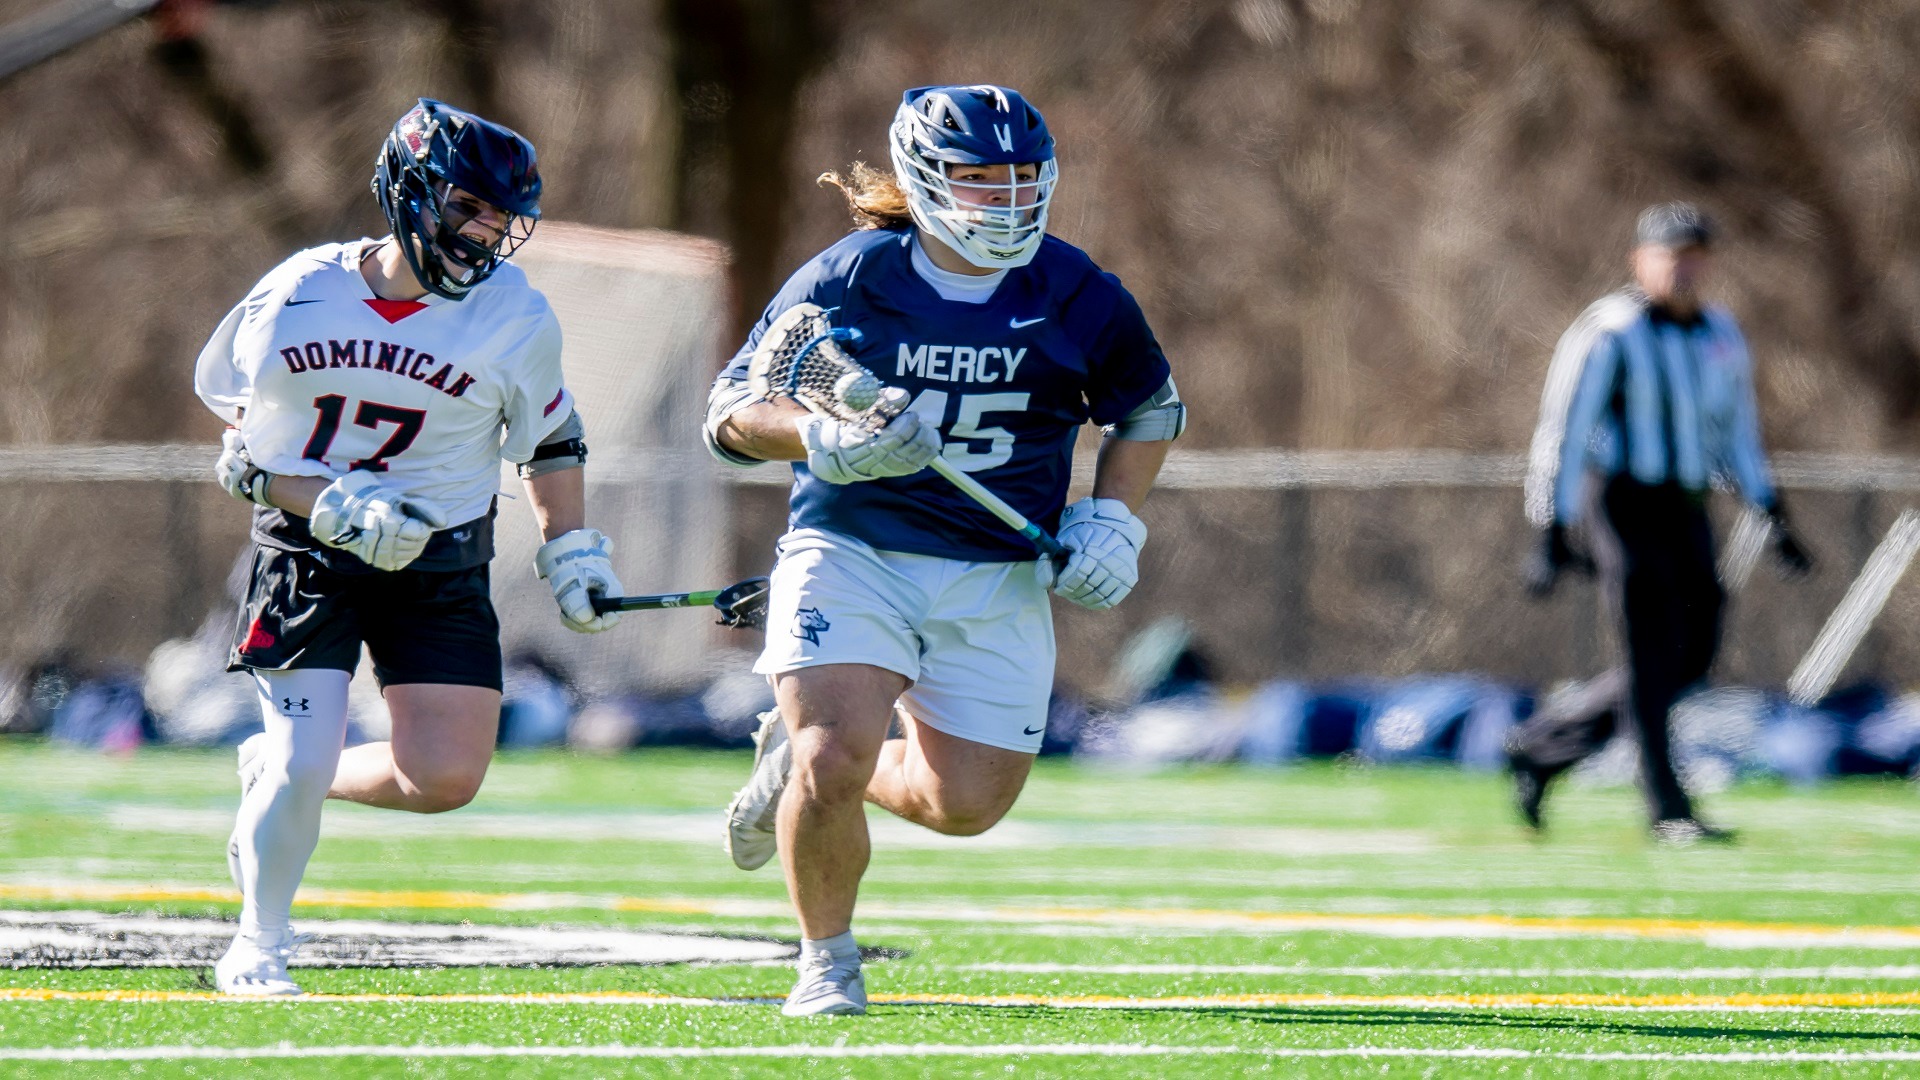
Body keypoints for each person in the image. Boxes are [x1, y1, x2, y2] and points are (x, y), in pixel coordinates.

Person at [702, 84, 1185, 1015]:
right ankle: (826, 961)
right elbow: (730, 418)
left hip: (994, 568)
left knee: (966, 806)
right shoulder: (849, 278)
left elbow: (1150, 409)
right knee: (834, 757)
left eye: (1019, 180)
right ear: (925, 180)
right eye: (977, 179)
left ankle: (789, 761)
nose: (1002, 200)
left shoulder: (1076, 290)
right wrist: (823, 439)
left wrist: (1113, 517)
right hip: (855, 549)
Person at [192, 98, 624, 995]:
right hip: (309, 552)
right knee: (308, 753)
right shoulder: (297, 293)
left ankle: (275, 772)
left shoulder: (514, 316)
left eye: (501, 220)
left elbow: (549, 440)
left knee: (444, 777)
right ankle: (259, 945)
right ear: (409, 190)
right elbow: (240, 455)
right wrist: (321, 500)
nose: (483, 234)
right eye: (468, 208)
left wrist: (571, 549)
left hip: (441, 557)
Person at [1512, 201, 1811, 843]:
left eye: (1694, 254)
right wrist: (1550, 527)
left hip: (1687, 503)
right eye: (1670, 254)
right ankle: (1667, 809)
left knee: (1693, 653)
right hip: (1621, 502)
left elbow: (1737, 434)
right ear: (1640, 260)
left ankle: (1542, 744)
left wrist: (1774, 515)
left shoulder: (1720, 334)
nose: (1683, 267)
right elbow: (1562, 430)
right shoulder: (1610, 331)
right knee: (1649, 650)